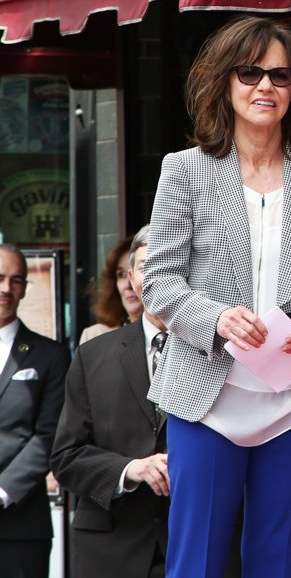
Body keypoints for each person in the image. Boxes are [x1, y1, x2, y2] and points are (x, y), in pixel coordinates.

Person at [142, 15, 291, 578]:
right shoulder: (185, 171)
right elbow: (159, 281)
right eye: (250, 72)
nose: (265, 86)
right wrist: (217, 318)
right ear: (225, 82)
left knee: (279, 561)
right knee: (196, 561)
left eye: (280, 76)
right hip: (207, 399)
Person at [51, 225, 169, 578]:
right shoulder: (92, 355)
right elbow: (66, 457)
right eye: (149, 265)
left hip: (197, 544)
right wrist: (128, 469)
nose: (160, 274)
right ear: (131, 279)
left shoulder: (220, 352)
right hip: (111, 548)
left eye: (172, 262)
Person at [0, 243, 71, 577]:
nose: (6, 288)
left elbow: (49, 434)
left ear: (26, 288)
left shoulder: (50, 355)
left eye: (16, 280)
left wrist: (2, 490)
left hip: (21, 526)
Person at [80, 234, 144, 344]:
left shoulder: (175, 335)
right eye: (122, 275)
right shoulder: (95, 336)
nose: (128, 285)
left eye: (137, 272)